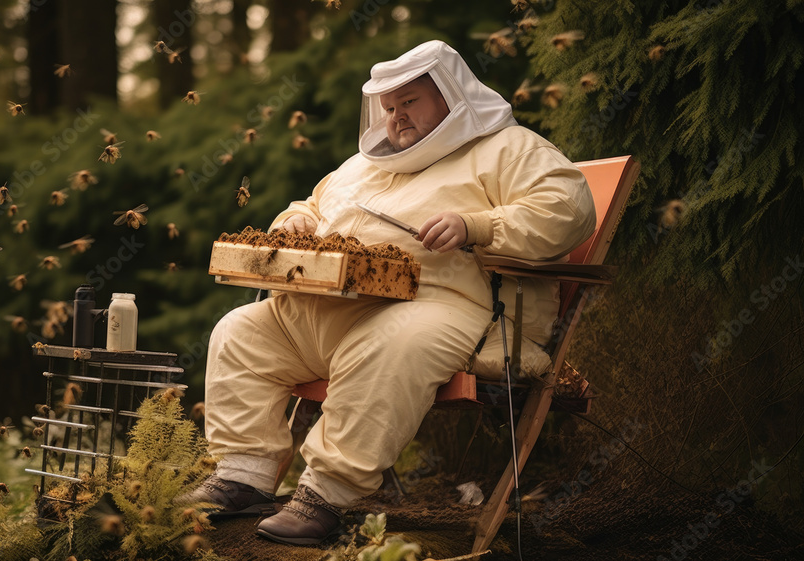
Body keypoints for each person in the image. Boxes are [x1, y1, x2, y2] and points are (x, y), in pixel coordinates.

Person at [182, 40, 597, 545]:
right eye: (390, 107)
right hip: (322, 312)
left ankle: (324, 495)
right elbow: (314, 204)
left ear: (450, 95)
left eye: (410, 102)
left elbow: (568, 208)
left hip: (444, 306)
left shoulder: (507, 148)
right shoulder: (365, 164)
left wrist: (476, 225)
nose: (397, 117)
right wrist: (295, 220)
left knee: (389, 344)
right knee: (240, 332)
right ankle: (242, 477)